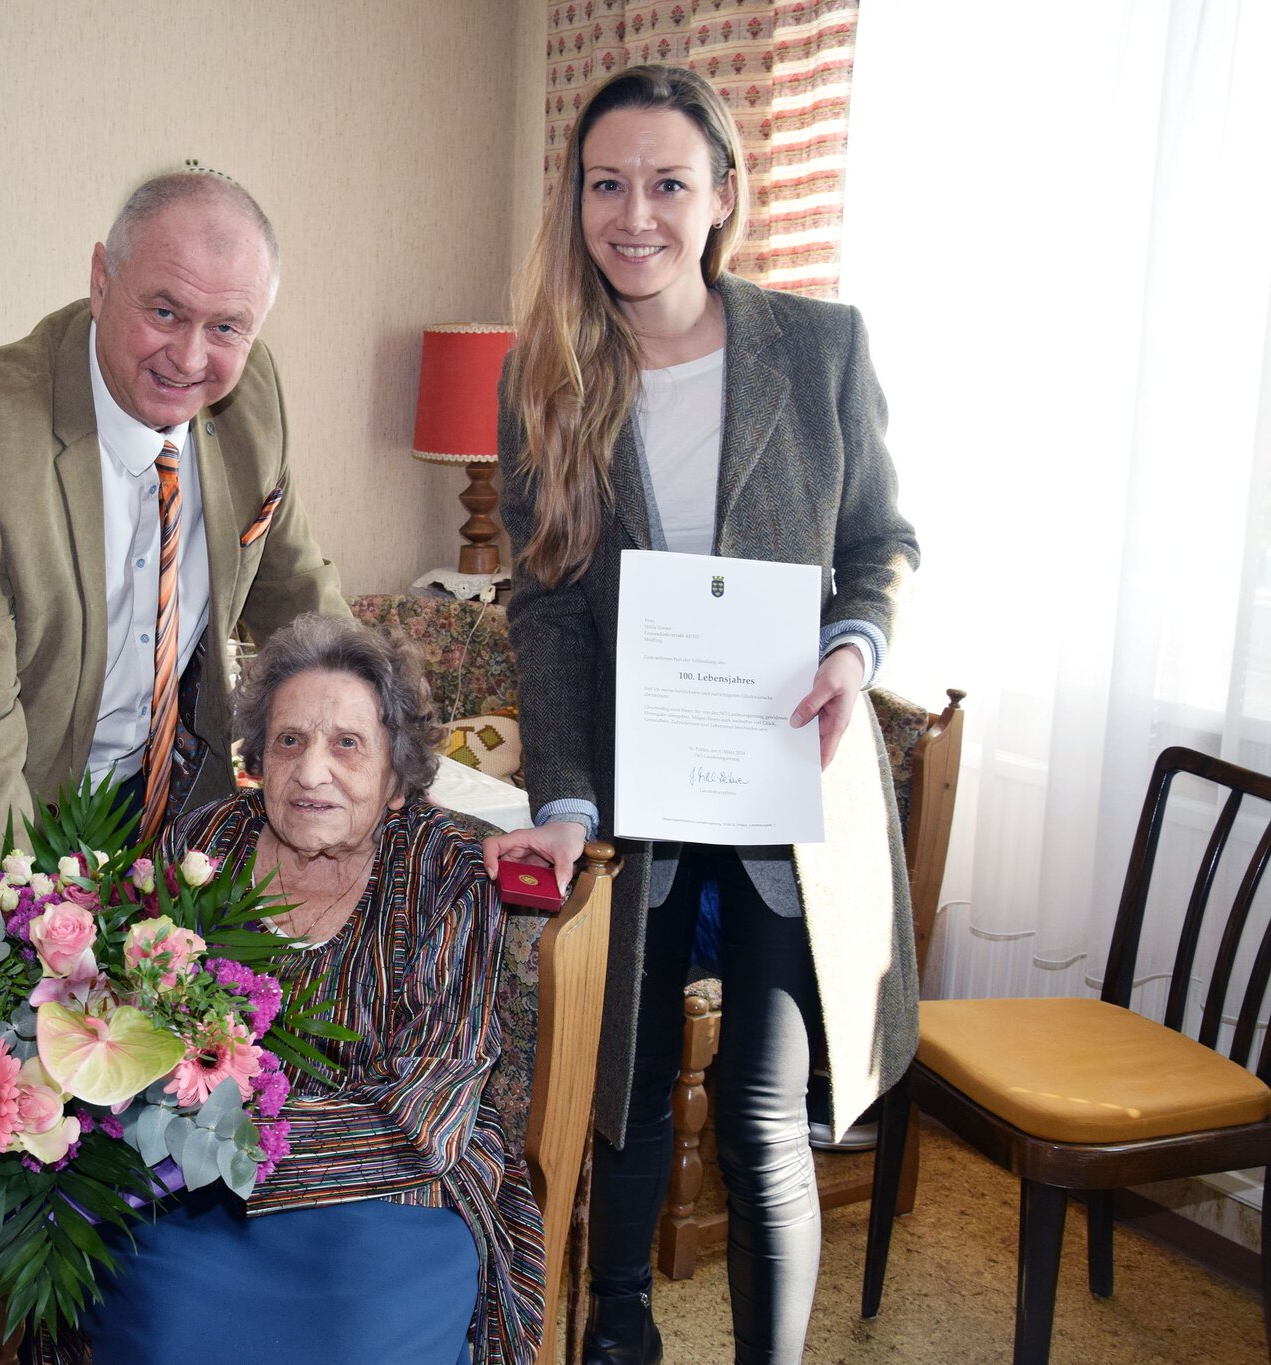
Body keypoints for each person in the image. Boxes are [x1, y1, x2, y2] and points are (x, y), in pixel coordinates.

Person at [0, 169, 346, 1365]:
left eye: (226, 327)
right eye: (162, 310)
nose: (190, 355)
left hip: (130, 821)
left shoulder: (251, 408)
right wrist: (51, 970)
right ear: (98, 278)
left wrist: (377, 753)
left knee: (120, 1151)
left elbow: (303, 602)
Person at [480, 65, 921, 1365]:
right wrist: (562, 797)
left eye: (669, 183)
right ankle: (620, 1331)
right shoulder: (545, 378)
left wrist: (853, 645)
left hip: (791, 789)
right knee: (622, 1095)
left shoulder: (819, 348)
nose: (636, 214)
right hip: (633, 793)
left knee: (760, 1111)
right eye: (607, 184)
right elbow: (548, 608)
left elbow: (878, 545)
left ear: (723, 196)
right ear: (578, 201)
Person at [73, 613, 541, 1365]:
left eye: (347, 743)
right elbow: (122, 1015)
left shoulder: (447, 871)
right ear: (258, 755)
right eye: (289, 739)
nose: (311, 769)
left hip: (392, 1193)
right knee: (163, 1324)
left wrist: (229, 1152)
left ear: (397, 774)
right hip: (195, 1192)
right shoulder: (203, 845)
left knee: (353, 1342)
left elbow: (432, 1109)